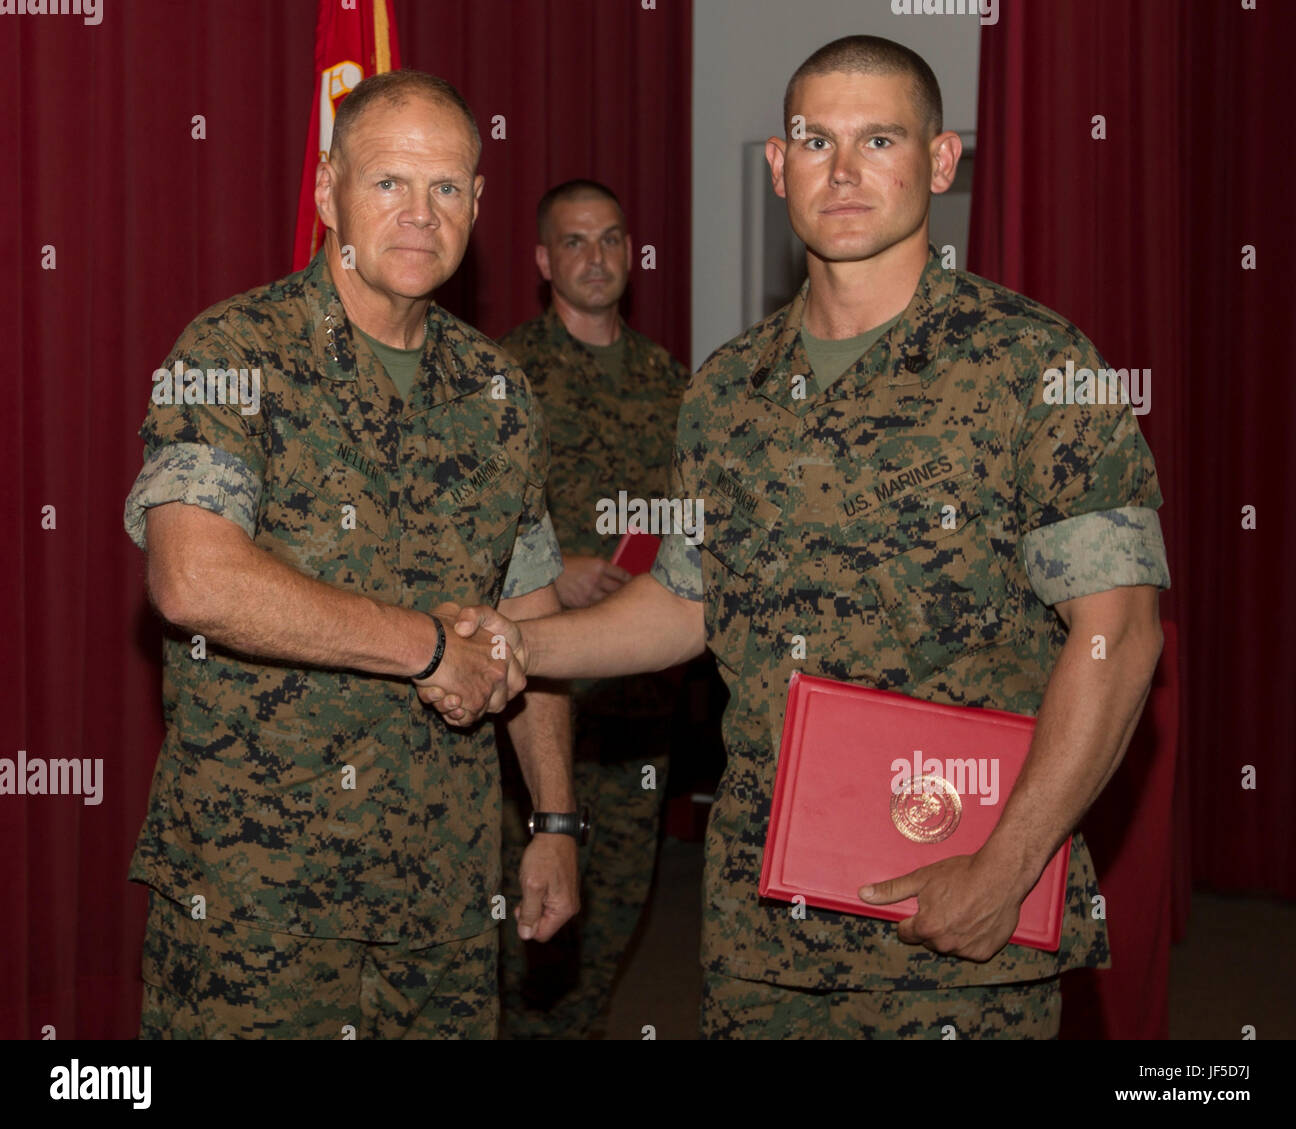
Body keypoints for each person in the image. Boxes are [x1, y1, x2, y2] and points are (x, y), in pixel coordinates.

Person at [439, 36, 1170, 1039]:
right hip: (764, 930)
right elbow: (686, 602)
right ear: (778, 167)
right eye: (813, 141)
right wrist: (517, 645)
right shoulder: (727, 389)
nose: (843, 169)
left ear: (941, 161)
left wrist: (1009, 866)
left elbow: (1118, 636)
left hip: (957, 925)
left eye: (879, 138)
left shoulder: (1039, 370)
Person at [122, 70, 579, 1039]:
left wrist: (555, 819)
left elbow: (531, 616)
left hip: (441, 901)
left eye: (446, 188)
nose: (420, 215)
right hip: (259, 902)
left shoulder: (500, 392)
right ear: (329, 191)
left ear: (478, 203)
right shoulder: (232, 353)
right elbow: (191, 576)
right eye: (388, 184)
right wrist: (422, 645)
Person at [495, 180, 688, 1038]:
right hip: (535, 701)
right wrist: (555, 571)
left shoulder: (674, 381)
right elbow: (462, 535)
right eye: (574, 242)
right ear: (543, 262)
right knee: (524, 926)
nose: (597, 257)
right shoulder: (500, 376)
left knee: (611, 910)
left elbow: (694, 514)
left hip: (639, 696)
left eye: (611, 239)